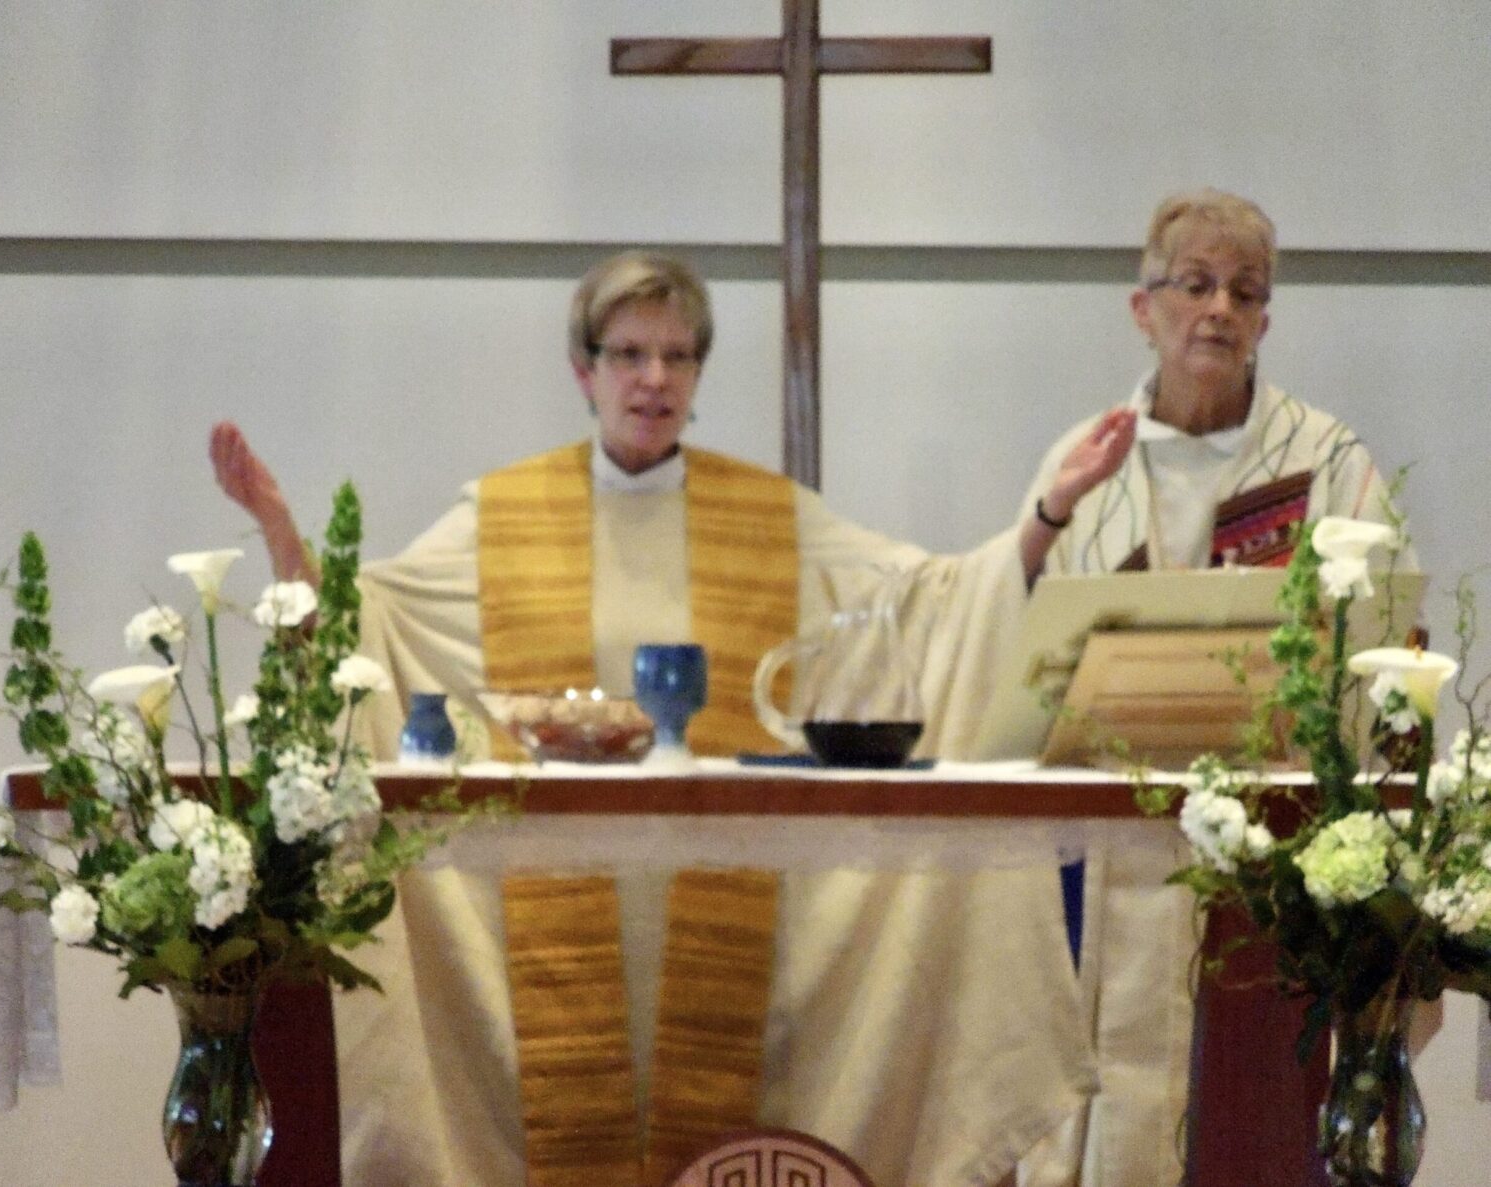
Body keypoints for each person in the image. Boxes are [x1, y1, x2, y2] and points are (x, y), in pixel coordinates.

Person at [211, 250, 1135, 1187]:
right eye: (628, 354)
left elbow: (930, 599)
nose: (653, 379)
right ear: (585, 369)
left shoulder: (767, 515)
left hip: (728, 920)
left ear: (697, 373)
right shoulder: (502, 516)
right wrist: (284, 537)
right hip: (548, 931)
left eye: (676, 356)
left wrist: (1048, 509)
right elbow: (366, 620)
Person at [1012, 189, 1405, 1187]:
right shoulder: (1078, 466)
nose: (1217, 310)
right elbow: (1016, 649)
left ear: (1264, 319)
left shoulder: (1327, 463)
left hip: (1269, 858)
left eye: (1243, 290)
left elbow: (1381, 655)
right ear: (1142, 307)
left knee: (1255, 1126)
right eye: (1193, 284)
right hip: (1100, 855)